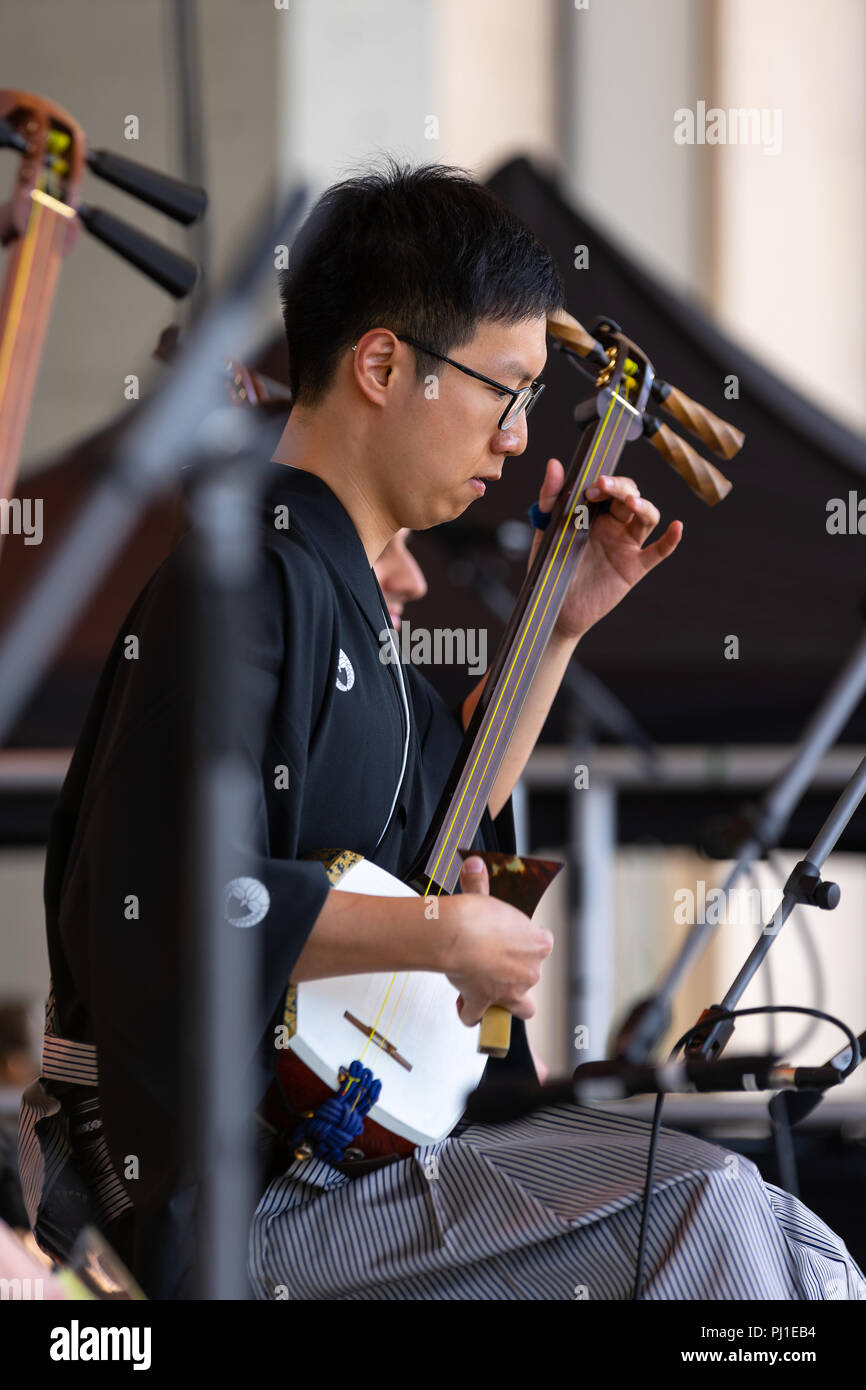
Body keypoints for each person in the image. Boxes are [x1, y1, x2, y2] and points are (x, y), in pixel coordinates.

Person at [26, 160, 865, 1302]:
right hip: (216, 1198)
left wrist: (557, 627)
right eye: (502, 390)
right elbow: (177, 899)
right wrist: (443, 935)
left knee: (790, 1239)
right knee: (704, 1214)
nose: (517, 437)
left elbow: (450, 819)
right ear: (381, 366)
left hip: (339, 1170)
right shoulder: (241, 580)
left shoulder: (342, 605)